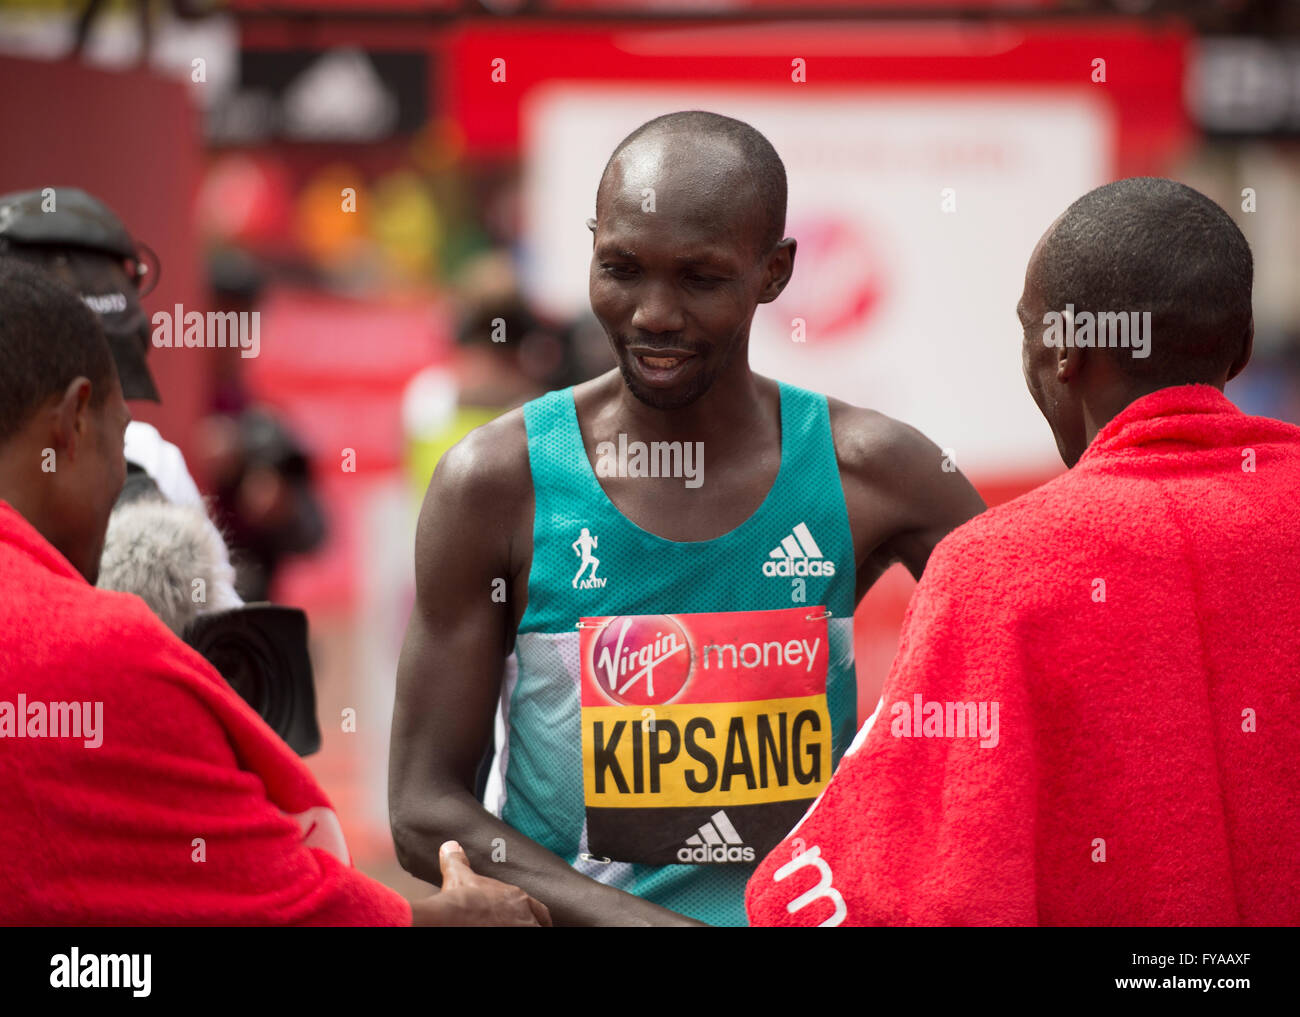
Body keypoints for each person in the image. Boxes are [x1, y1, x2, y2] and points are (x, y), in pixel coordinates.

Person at [390, 111, 987, 926]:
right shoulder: (498, 482)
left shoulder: (876, 471)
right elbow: (425, 806)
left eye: (700, 278)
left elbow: (1021, 705)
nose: (654, 313)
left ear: (773, 272)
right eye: (622, 268)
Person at [746, 177, 1300, 926]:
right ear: (1242, 348)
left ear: (1062, 351)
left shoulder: (998, 567)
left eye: (1028, 328)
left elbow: (911, 880)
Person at [0, 259, 548, 926]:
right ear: (72, 422)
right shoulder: (99, 654)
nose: (125, 477)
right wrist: (453, 919)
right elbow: (278, 902)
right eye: (123, 439)